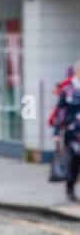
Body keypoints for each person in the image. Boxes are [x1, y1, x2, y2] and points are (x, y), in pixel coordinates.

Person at [50, 61, 80, 201]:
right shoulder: (68, 89)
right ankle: (70, 188)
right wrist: (56, 133)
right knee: (74, 162)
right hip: (73, 133)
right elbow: (61, 112)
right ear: (76, 72)